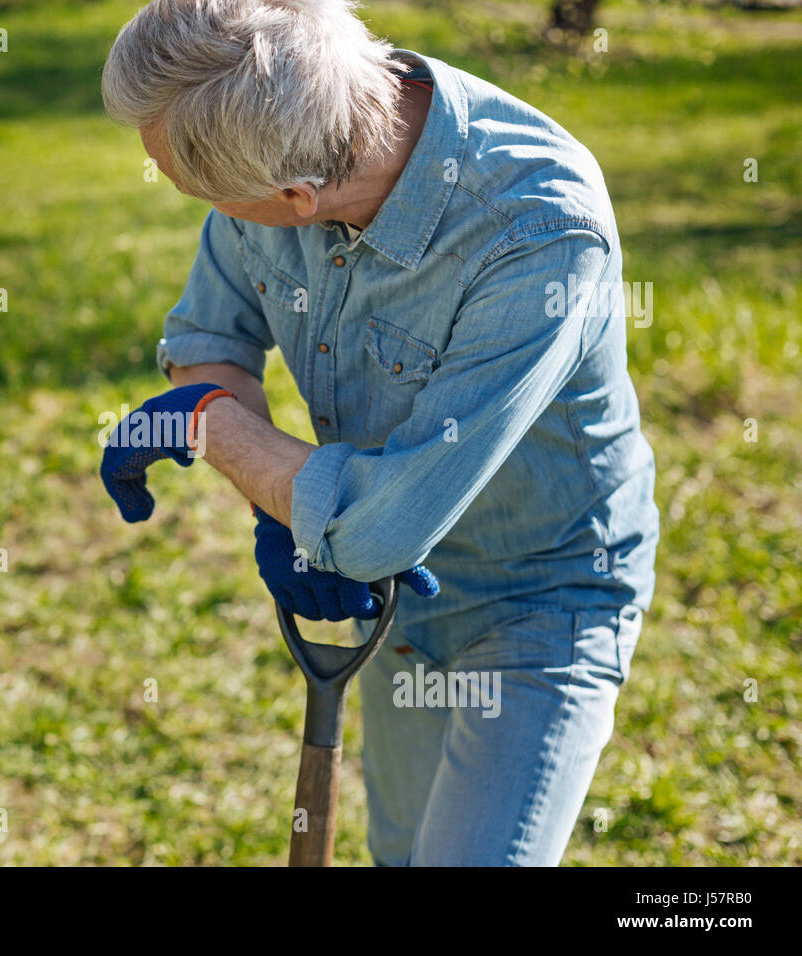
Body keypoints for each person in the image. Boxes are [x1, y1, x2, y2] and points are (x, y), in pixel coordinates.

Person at [99, 0, 659, 865]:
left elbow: (379, 528)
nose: (207, 212)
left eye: (208, 197)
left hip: (541, 596)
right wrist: (284, 509)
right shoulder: (296, 124)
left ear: (295, 196)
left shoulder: (538, 233)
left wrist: (215, 432)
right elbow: (211, 340)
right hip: (403, 606)